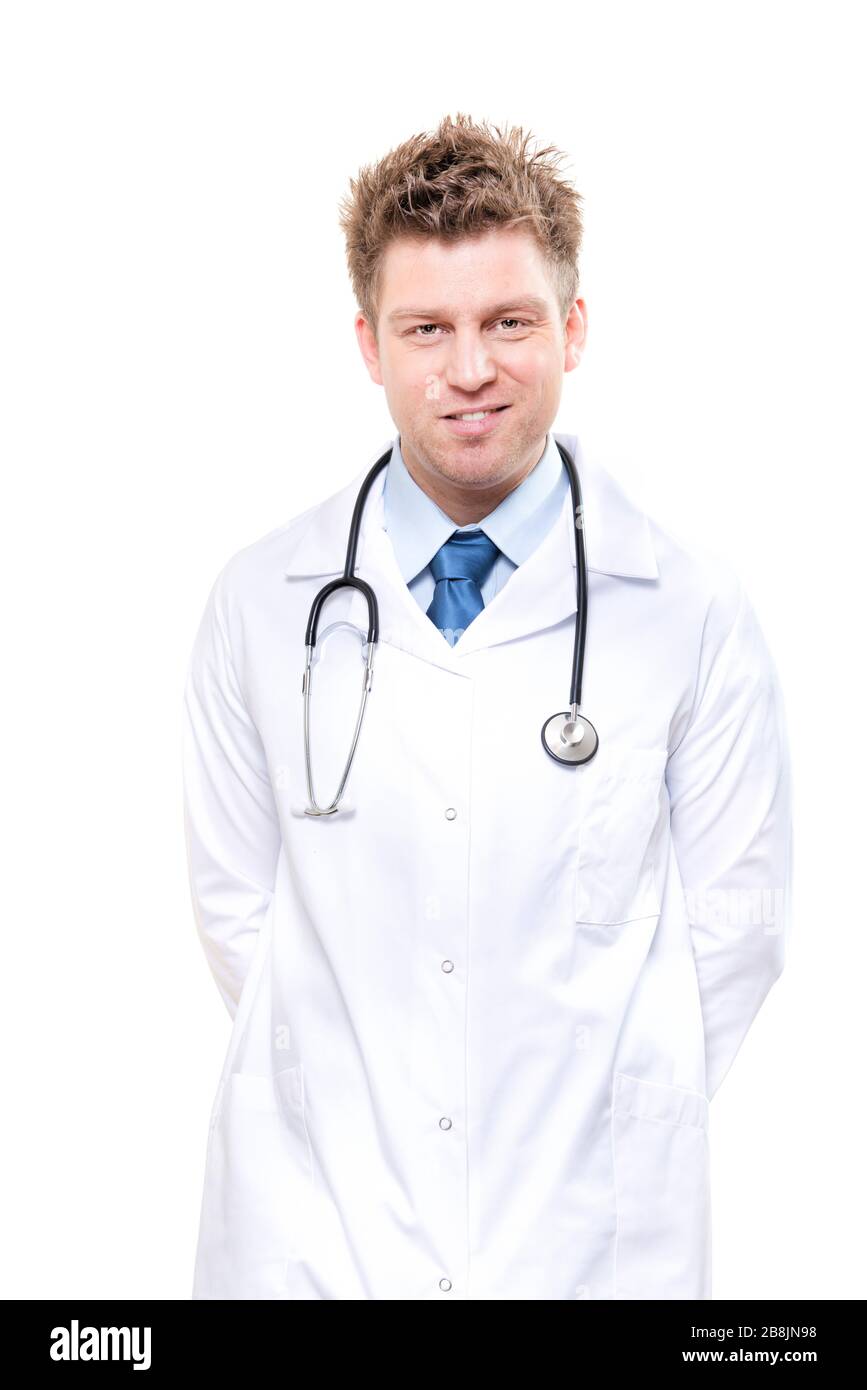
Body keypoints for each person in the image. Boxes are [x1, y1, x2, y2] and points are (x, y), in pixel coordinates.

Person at [182, 112, 793, 1300]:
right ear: (369, 343)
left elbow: (741, 926)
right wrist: (359, 1102)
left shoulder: (688, 608)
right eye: (428, 329)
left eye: (508, 322)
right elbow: (234, 912)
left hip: (593, 1243)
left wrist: (603, 1119)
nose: (470, 369)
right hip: (314, 1230)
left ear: (572, 327)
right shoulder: (262, 604)